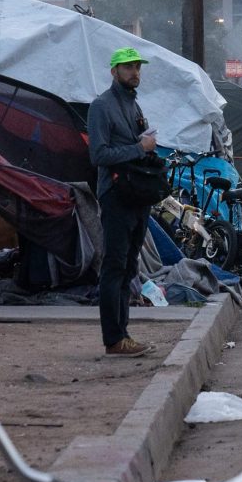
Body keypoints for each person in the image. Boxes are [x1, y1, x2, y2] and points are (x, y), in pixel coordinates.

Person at [89, 47, 158, 355]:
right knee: (114, 267)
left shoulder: (134, 106)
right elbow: (99, 155)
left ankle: (123, 334)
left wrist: (146, 147)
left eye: (137, 67)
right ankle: (113, 338)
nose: (135, 72)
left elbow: (137, 145)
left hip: (137, 196)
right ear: (114, 71)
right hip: (116, 196)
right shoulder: (101, 107)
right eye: (128, 67)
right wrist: (139, 149)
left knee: (129, 268)